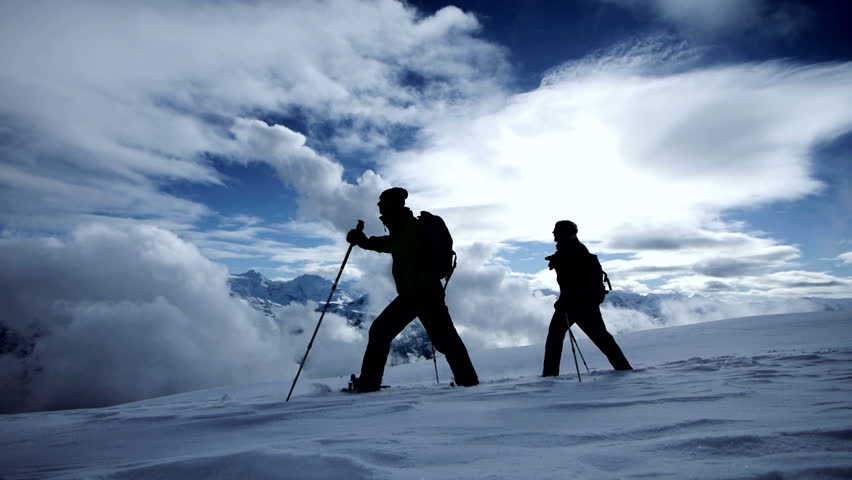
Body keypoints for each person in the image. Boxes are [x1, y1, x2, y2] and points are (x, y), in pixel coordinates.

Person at [345, 187, 479, 392]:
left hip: (420, 292)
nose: (379, 206)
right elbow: (398, 244)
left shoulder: (405, 224)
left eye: (382, 202)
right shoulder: (404, 223)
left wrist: (364, 242)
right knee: (445, 339)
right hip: (422, 292)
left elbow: (398, 244)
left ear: (392, 204)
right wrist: (365, 241)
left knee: (382, 331)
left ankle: (369, 383)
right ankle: (468, 380)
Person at [542, 220, 632, 376]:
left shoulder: (572, 252)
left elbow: (575, 281)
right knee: (601, 338)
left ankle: (549, 375)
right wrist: (557, 259)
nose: (553, 234)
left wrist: (565, 301)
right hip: (582, 304)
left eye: (556, 232)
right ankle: (623, 368)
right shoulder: (572, 250)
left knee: (555, 339)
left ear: (563, 233)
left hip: (575, 305)